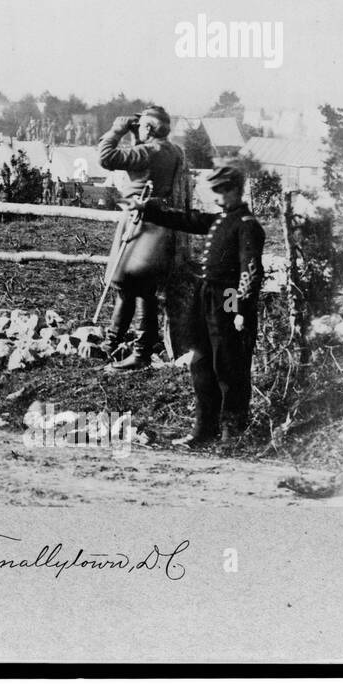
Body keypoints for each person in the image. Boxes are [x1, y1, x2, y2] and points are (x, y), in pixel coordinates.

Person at [128, 165, 264, 447]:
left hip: (228, 296)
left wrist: (238, 309)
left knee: (228, 364)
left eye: (222, 191)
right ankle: (204, 430)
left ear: (237, 190)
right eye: (215, 191)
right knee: (201, 361)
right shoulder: (220, 219)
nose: (217, 198)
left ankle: (232, 433)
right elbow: (189, 219)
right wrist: (150, 210)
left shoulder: (247, 224)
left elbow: (249, 269)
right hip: (206, 296)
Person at [97, 105, 186, 369]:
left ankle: (138, 352)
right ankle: (115, 346)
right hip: (159, 222)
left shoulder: (148, 152)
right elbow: (146, 168)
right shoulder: (172, 151)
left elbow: (106, 158)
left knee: (133, 286)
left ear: (148, 128)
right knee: (136, 286)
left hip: (139, 222)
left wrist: (117, 130)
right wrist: (139, 135)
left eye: (142, 126)